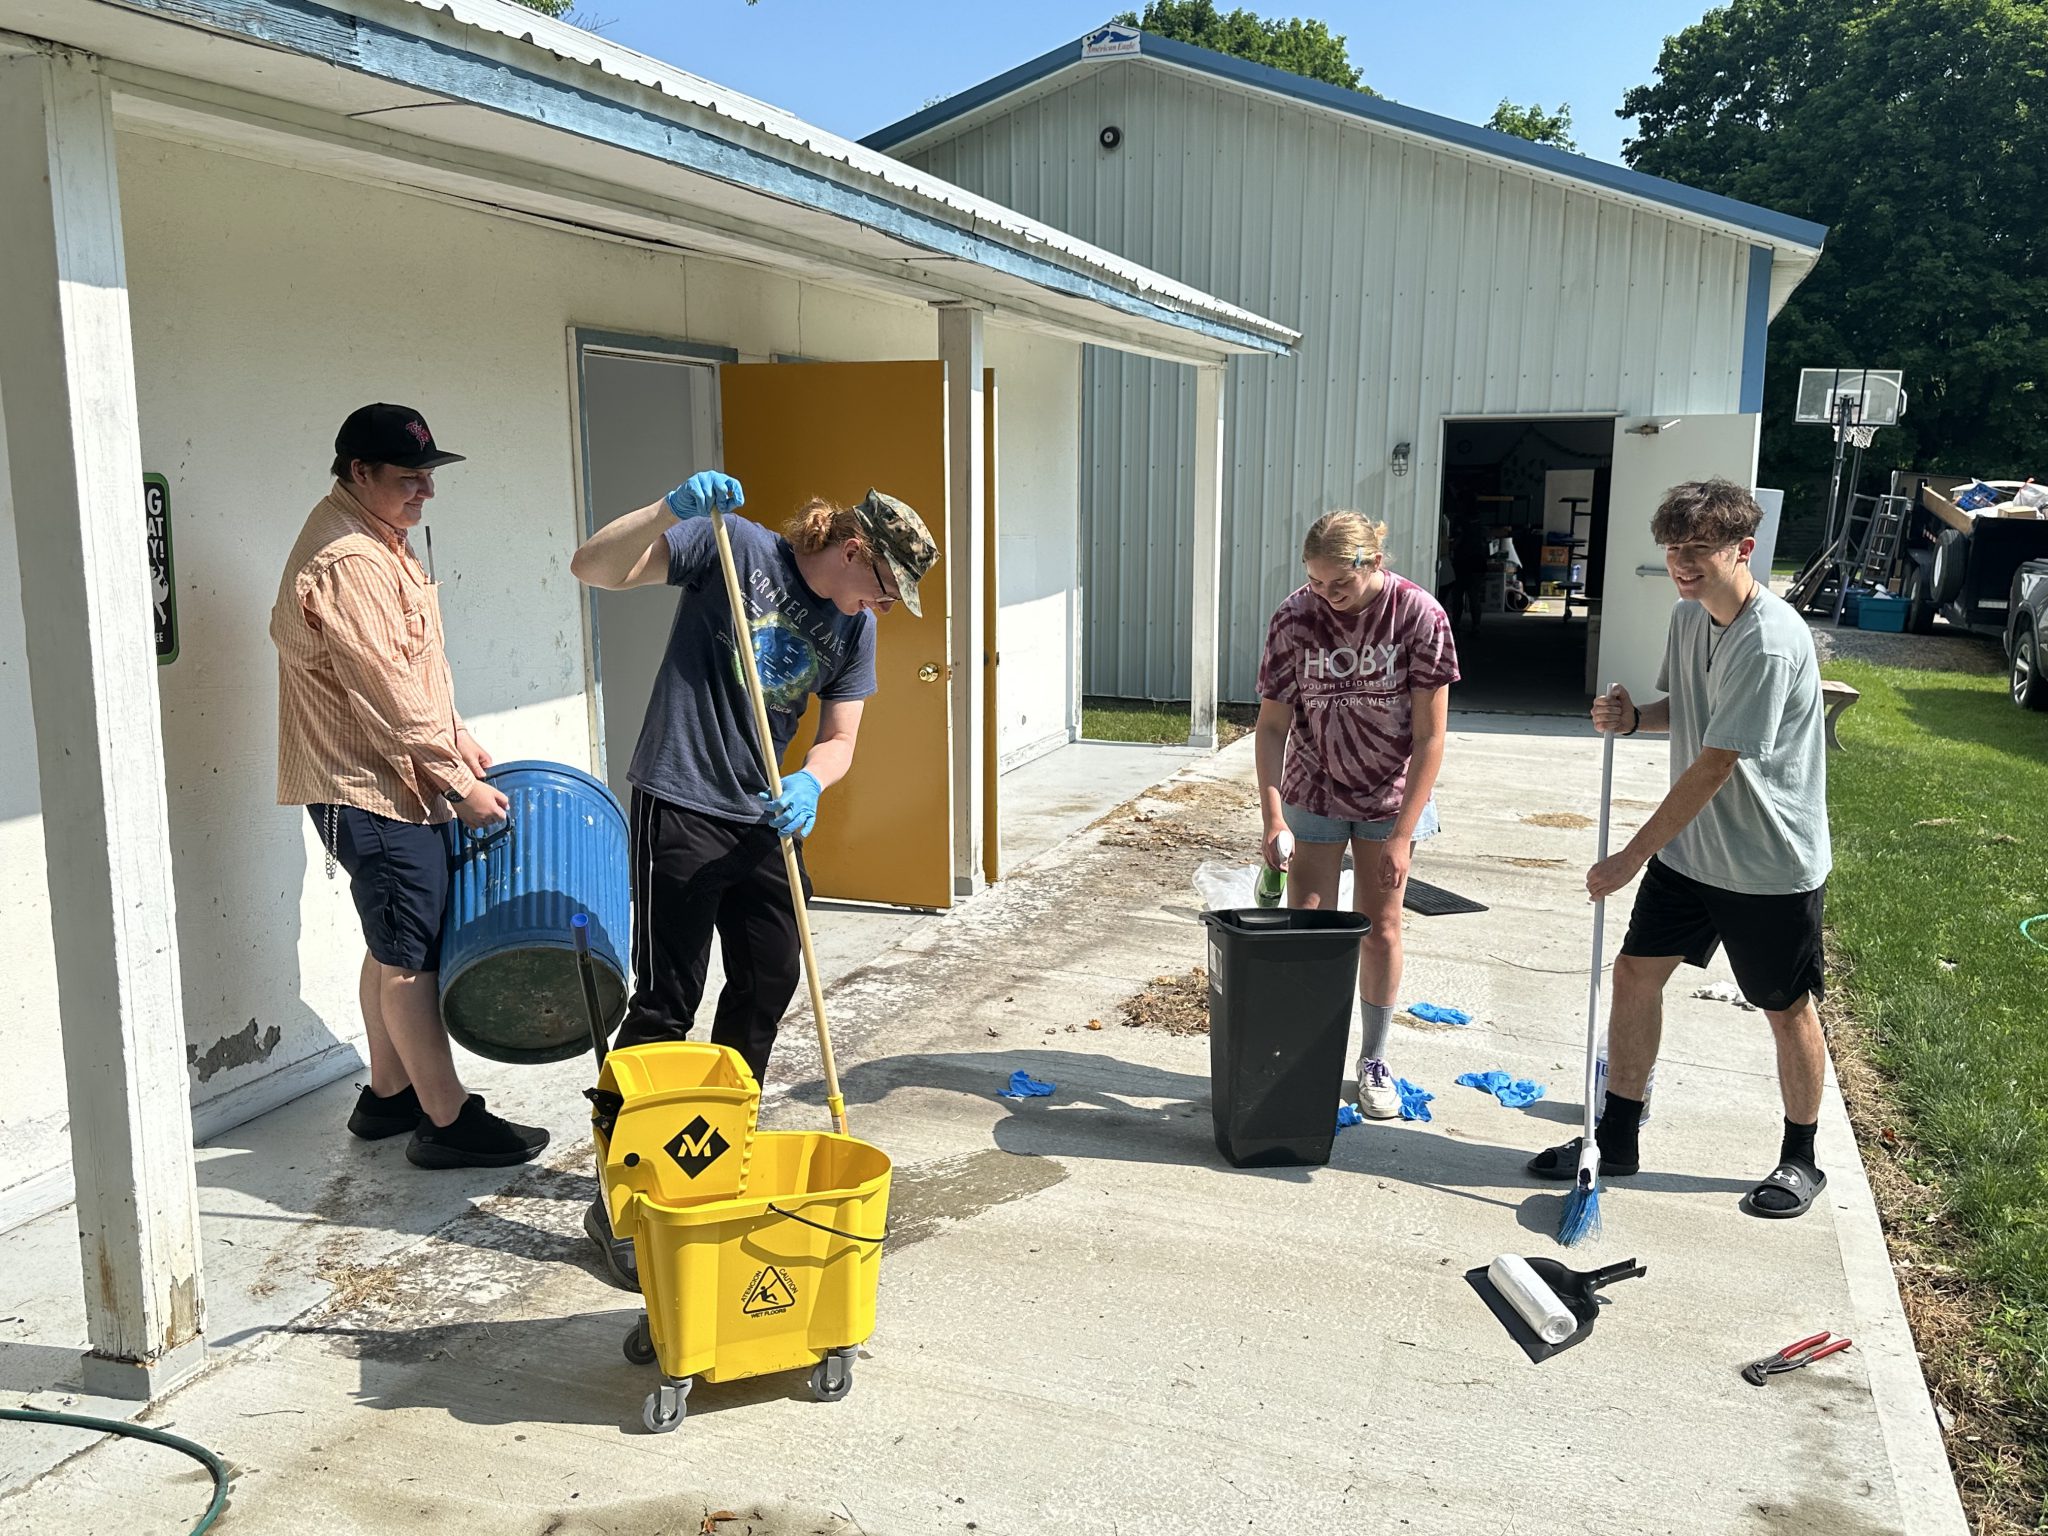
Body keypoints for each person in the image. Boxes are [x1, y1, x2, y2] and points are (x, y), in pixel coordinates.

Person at [570, 470, 937, 1286]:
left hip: (766, 818)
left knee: (766, 987)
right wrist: (667, 509)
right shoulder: (733, 548)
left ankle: (711, 1162)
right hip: (682, 800)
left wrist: (813, 780)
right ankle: (618, 1190)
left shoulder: (854, 634)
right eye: (881, 592)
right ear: (852, 551)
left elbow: (840, 739)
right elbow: (592, 568)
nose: (879, 612)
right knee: (668, 1000)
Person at [1525, 478, 1833, 1219]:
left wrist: (1629, 856)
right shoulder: (1688, 616)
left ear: (1743, 550)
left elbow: (1716, 762)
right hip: (1692, 858)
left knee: (1784, 1007)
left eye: (1699, 551)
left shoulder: (1770, 640)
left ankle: (1801, 1159)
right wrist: (1634, 718)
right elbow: (1689, 716)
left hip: (1767, 866)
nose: (1683, 566)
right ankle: (1618, 1138)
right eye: (1672, 551)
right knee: (1634, 976)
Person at [271, 403, 549, 1170]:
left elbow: (418, 662)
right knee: (410, 956)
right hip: (370, 787)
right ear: (358, 471)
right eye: (408, 477)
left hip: (391, 778)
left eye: (429, 476)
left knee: (392, 938)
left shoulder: (377, 537)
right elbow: (385, 687)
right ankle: (445, 1120)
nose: (424, 490)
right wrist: (456, 781)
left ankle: (388, 1096)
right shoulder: (350, 560)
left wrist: (454, 729)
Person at [1254, 511, 1459, 1118]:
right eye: (1315, 583)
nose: (1326, 596)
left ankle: (1374, 1058)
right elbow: (1270, 726)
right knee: (1308, 928)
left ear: (1373, 564)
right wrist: (1273, 818)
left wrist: (1402, 835)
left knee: (1381, 926)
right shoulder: (1294, 617)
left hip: (1389, 794)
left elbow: (1431, 738)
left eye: (1337, 585)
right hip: (1313, 788)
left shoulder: (1419, 615)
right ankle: (1304, 1054)